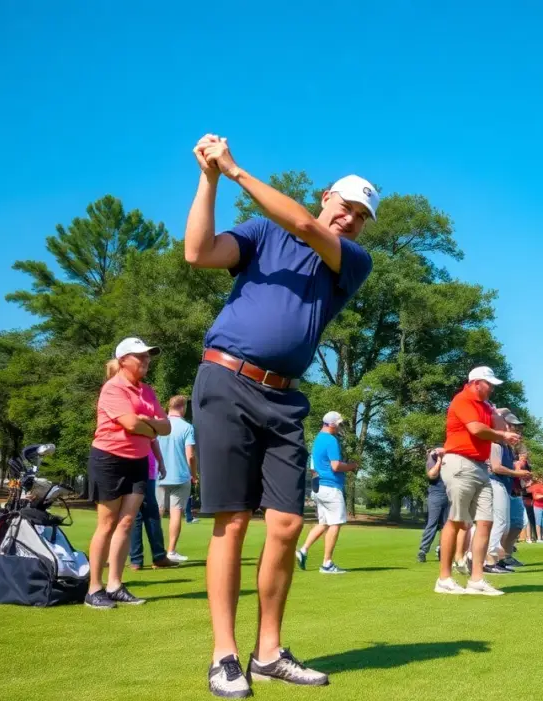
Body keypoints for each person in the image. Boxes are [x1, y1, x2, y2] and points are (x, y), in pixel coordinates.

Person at [185, 134, 378, 697]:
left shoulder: (351, 259)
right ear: (325, 195)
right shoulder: (262, 232)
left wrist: (237, 170)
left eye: (361, 216)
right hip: (225, 379)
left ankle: (268, 652)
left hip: (285, 399)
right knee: (233, 521)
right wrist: (210, 178)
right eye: (345, 206)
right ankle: (225, 654)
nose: (350, 218)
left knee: (288, 524)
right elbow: (198, 253)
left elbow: (308, 228)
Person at [85, 338, 172, 609]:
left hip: (138, 460)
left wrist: (148, 425)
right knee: (107, 524)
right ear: (123, 361)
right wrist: (149, 425)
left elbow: (167, 427)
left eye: (147, 356)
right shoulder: (112, 389)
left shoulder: (148, 391)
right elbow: (131, 423)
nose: (146, 361)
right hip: (109, 459)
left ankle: (114, 584)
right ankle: (94, 589)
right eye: (140, 356)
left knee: (126, 523)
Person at [434, 366, 519, 596]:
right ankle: (444, 579)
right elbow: (476, 430)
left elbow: (499, 428)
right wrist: (502, 435)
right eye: (488, 384)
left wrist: (495, 413)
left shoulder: (485, 406)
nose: (491, 388)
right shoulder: (462, 400)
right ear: (476, 382)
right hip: (460, 462)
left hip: (481, 467)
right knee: (456, 520)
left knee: (485, 521)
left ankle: (476, 579)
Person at [297, 412, 358, 573]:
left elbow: (313, 465)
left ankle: (303, 550)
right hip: (330, 487)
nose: (340, 427)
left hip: (318, 487)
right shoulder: (331, 440)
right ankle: (327, 563)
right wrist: (352, 466)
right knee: (335, 523)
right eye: (338, 424)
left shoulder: (318, 439)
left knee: (323, 523)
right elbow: (336, 466)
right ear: (332, 424)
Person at [485, 412, 530, 572]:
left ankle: (496, 559)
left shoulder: (506, 447)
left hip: (505, 485)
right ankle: (490, 561)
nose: (517, 430)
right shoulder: (496, 444)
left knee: (506, 524)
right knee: (499, 523)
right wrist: (517, 473)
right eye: (513, 426)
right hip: (495, 483)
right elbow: (496, 467)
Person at [157, 395, 199, 562]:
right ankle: (171, 551)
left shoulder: (160, 425)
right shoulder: (187, 427)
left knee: (157, 513)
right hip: (180, 476)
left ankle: (156, 550)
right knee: (176, 514)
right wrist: (194, 474)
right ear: (183, 408)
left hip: (159, 474)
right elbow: (190, 456)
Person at [129, 441, 177, 570]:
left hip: (127, 466)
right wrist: (161, 462)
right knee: (151, 514)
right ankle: (159, 556)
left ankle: (136, 560)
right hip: (145, 467)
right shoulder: (147, 421)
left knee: (134, 514)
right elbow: (153, 440)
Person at [417, 447, 449, 563]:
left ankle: (443, 550)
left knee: (447, 526)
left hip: (450, 494)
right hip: (436, 493)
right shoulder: (432, 460)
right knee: (433, 523)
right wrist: (439, 461)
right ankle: (423, 551)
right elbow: (432, 475)